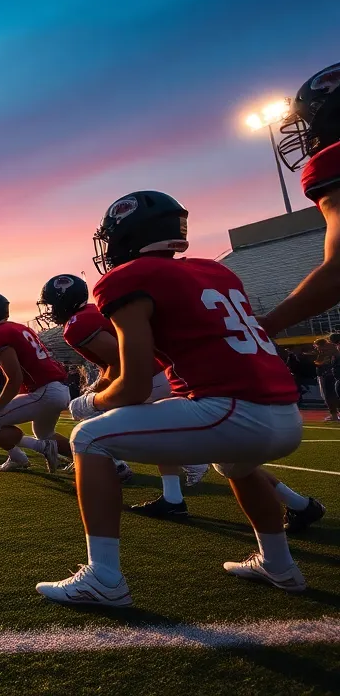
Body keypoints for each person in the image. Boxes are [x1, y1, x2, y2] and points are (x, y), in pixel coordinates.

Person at [39, 191, 312, 607]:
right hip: (285, 415)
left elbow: (134, 385)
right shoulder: (215, 272)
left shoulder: (126, 279)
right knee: (236, 465)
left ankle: (104, 578)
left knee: (87, 438)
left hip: (230, 409)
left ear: (126, 235)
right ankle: (279, 564)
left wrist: (91, 403)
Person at [38, 273, 212, 516]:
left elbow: (121, 359)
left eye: (50, 304)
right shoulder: (89, 313)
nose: (49, 310)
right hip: (160, 373)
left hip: (148, 377)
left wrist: (98, 391)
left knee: (93, 420)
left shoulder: (77, 324)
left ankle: (184, 460)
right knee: (156, 428)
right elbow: (112, 361)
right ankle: (173, 498)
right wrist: (99, 385)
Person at [257, 63, 340, 340]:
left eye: (306, 121)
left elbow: (338, 271)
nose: (305, 134)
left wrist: (268, 323)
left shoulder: (332, 160)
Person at [0, 292, 70, 473]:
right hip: (57, 389)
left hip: (43, 391)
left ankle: (34, 451)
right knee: (45, 434)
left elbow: (14, 379)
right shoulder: (18, 328)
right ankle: (113, 464)